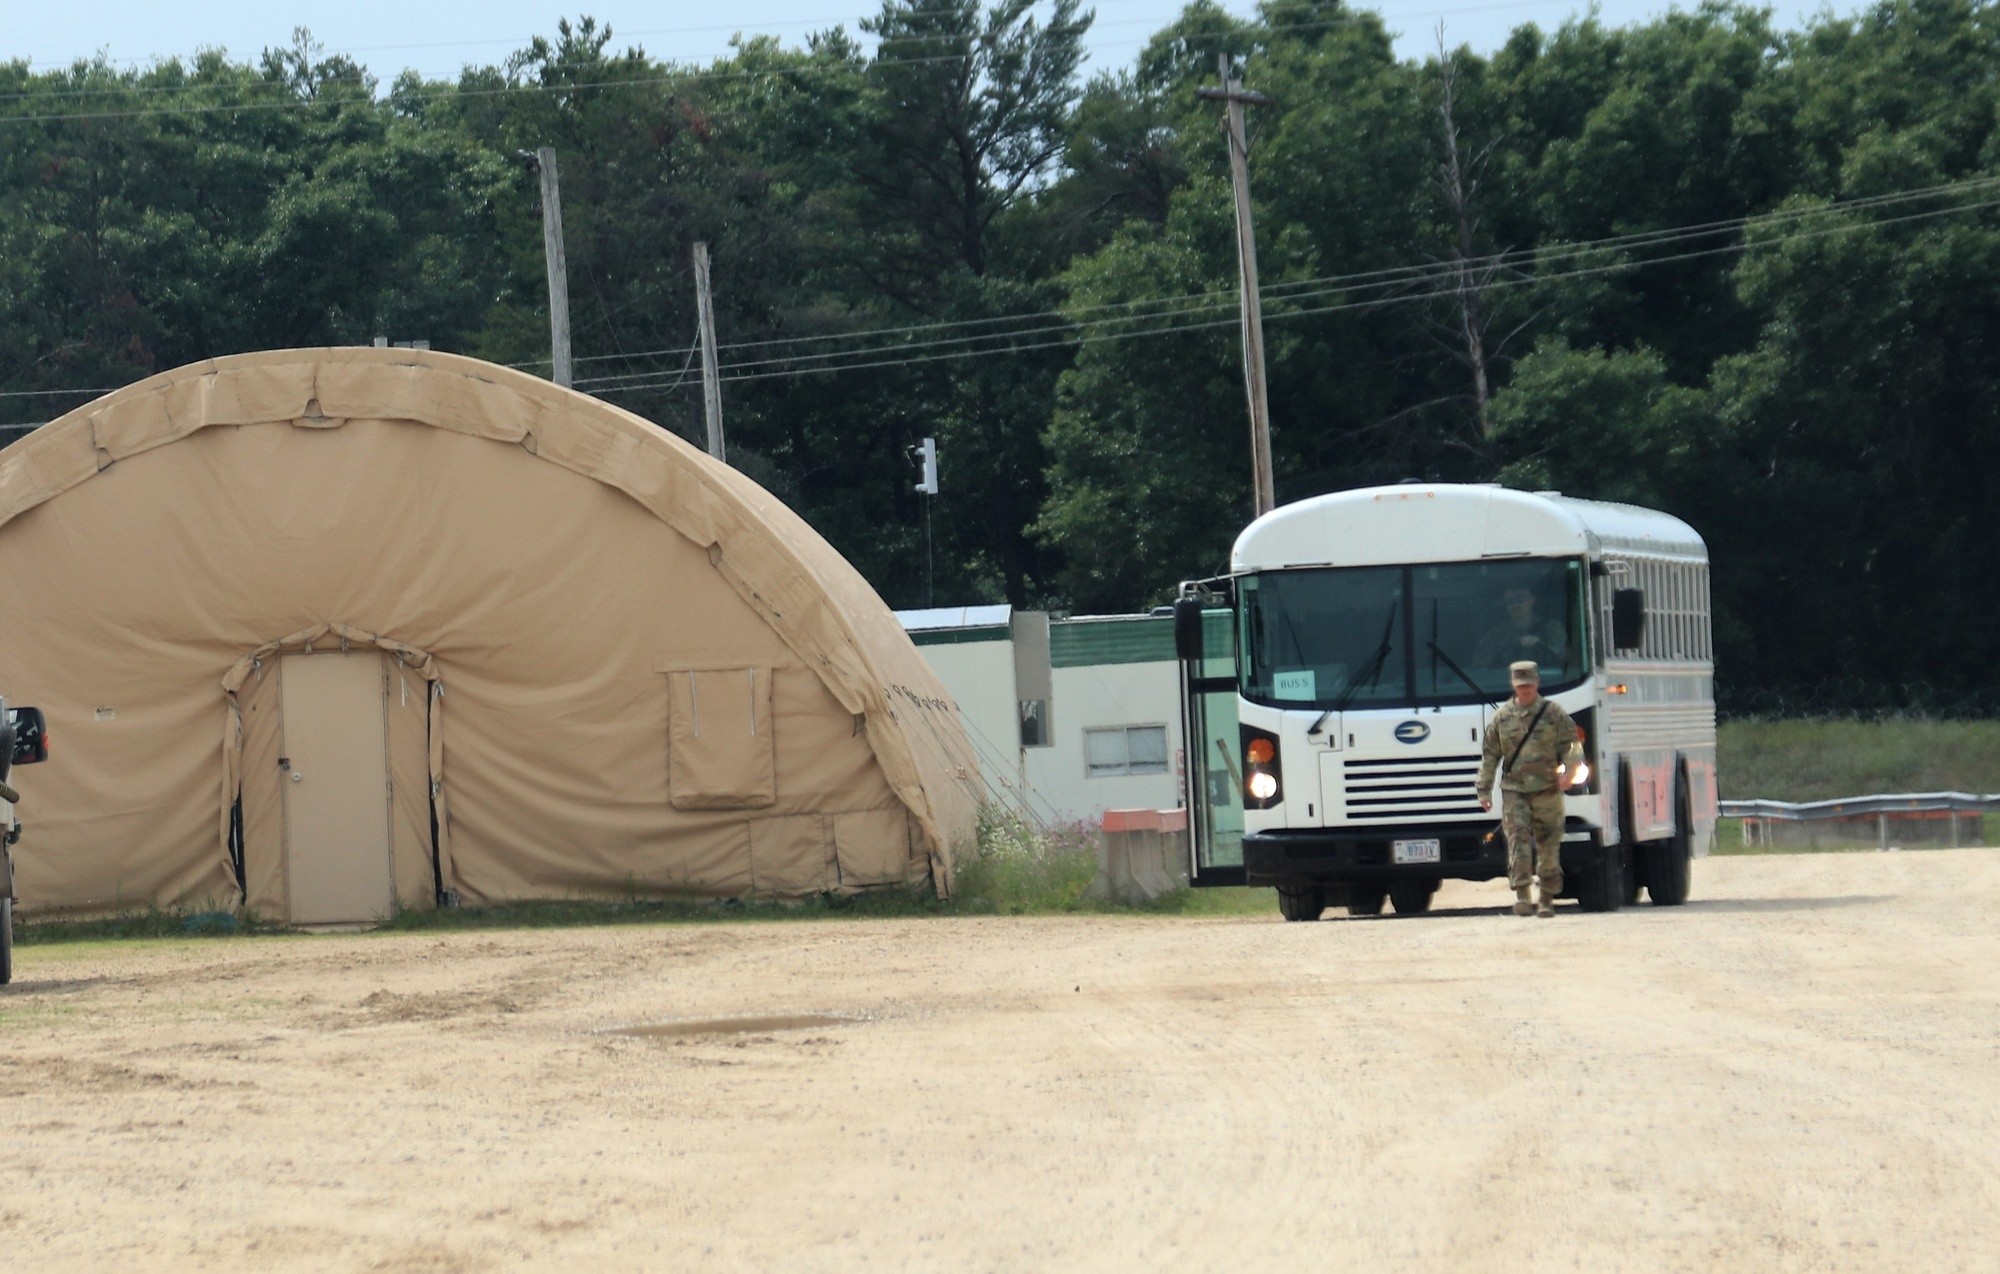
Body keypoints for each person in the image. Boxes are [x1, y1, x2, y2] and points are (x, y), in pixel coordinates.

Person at [1476, 660, 1583, 918]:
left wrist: (1570, 771)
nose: (1525, 690)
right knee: (1518, 842)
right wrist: (1484, 789)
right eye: (1520, 686)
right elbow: (1490, 756)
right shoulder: (1502, 718)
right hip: (1515, 791)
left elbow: (1572, 744)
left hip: (1547, 789)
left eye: (1529, 685)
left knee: (1548, 844)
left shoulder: (1553, 713)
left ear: (1537, 684)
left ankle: (1546, 899)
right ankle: (1523, 896)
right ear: (1514, 686)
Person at [1474, 585, 1565, 671]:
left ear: (1531, 600)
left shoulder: (1552, 628)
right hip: (1504, 684)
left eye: (1520, 599)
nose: (1515, 604)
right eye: (1510, 601)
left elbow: (1567, 660)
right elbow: (1479, 666)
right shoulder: (1496, 634)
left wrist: (1541, 645)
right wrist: (1508, 646)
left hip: (1545, 682)